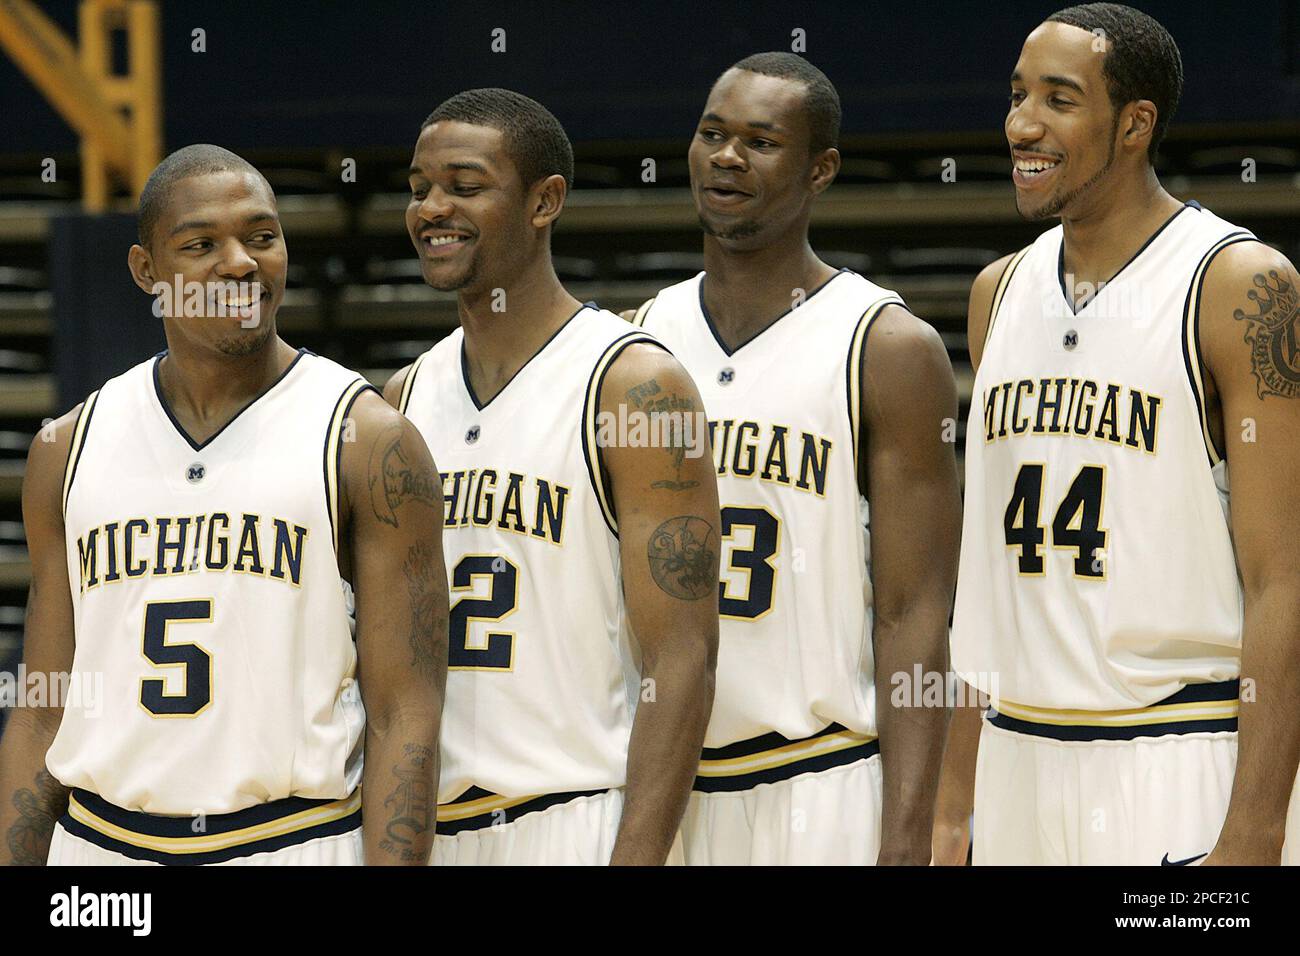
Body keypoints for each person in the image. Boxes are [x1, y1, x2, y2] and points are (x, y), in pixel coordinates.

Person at [0, 145, 448, 866]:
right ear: (148, 272)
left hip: (290, 840)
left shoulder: (367, 440)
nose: (240, 262)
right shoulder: (69, 446)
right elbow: (45, 706)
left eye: (262, 237)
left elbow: (408, 714)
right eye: (202, 244)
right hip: (103, 855)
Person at [937, 3, 1300, 865]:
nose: (1022, 123)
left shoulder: (1239, 285)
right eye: (1018, 94)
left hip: (1176, 754)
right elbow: (981, 580)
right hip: (1017, 758)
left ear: (1135, 124)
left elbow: (1284, 578)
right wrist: (952, 808)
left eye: (1059, 100)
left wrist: (1254, 831)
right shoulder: (998, 292)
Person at [626, 53, 961, 865]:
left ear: (821, 169)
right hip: (659, 786)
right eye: (712, 134)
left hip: (819, 777)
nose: (727, 157)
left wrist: (911, 835)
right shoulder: (639, 340)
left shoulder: (886, 345)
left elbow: (914, 613)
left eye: (760, 141)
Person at [385, 89, 720, 865]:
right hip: (430, 830)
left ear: (545, 201)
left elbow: (683, 657)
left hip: (574, 819)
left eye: (465, 187)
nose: (433, 208)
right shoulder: (400, 402)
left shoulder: (631, 383)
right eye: (418, 188)